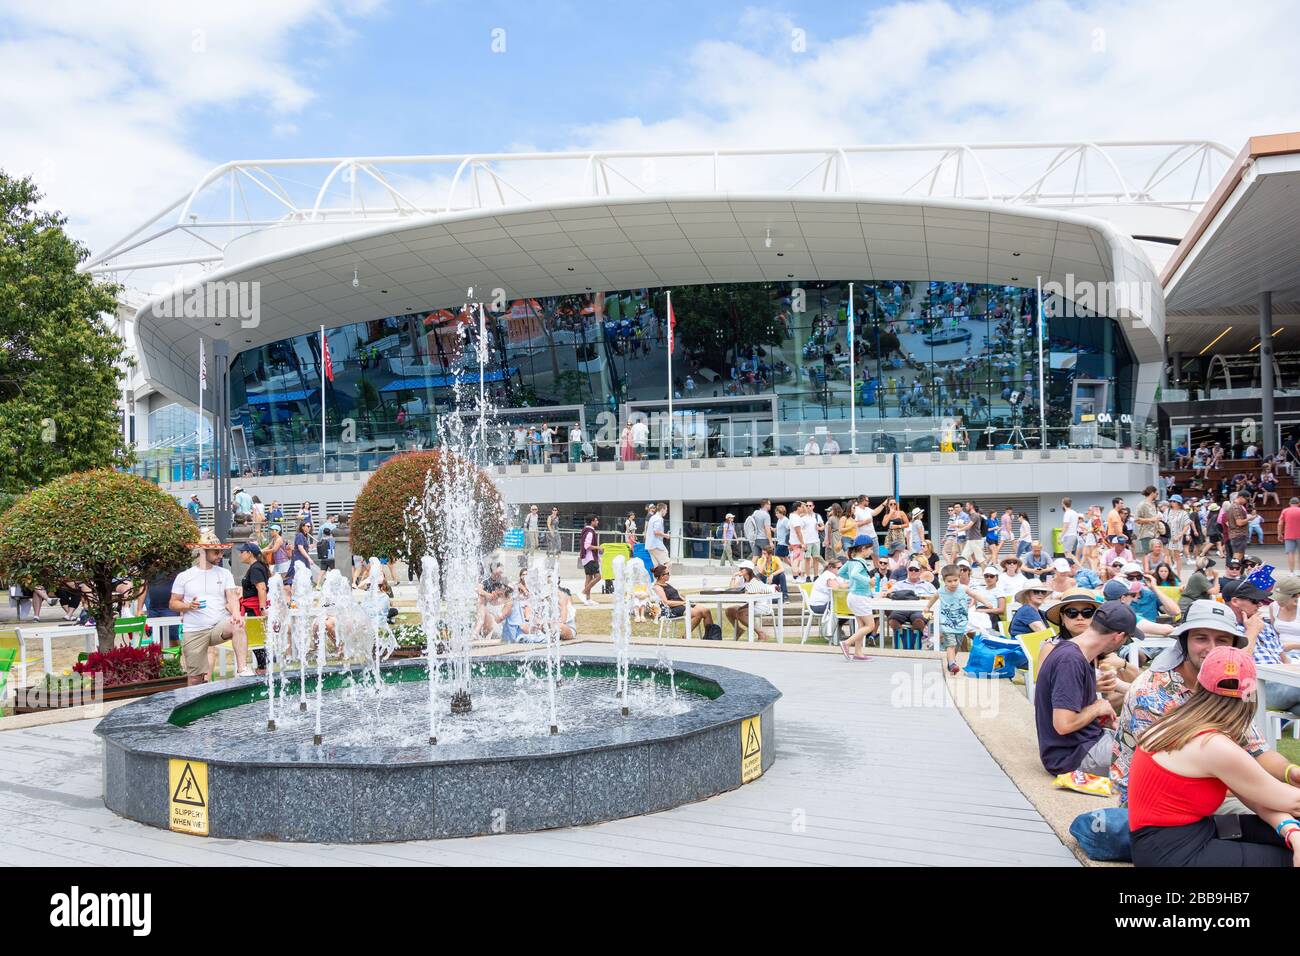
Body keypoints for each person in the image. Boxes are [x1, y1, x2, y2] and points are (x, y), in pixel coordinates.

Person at [1127, 646, 1300, 867]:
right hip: (1175, 854)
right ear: (1251, 694)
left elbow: (1255, 795)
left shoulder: (1181, 723)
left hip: (1171, 839)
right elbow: (1291, 800)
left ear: (1199, 685)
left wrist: (1291, 830)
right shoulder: (1214, 745)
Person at [1111, 599, 1293, 809]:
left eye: (1222, 640)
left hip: (1210, 789)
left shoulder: (1229, 684)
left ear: (1233, 646)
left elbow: (1256, 749)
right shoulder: (1151, 691)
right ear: (1184, 641)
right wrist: (1267, 790)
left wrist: (1290, 772)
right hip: (1156, 803)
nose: (1212, 649)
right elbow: (1168, 774)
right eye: (1201, 638)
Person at [1033, 600, 1138, 776]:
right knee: (1161, 761)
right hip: (1074, 756)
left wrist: (1105, 720)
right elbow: (1063, 725)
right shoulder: (1070, 660)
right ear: (1119, 636)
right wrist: (1097, 708)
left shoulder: (1076, 653)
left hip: (1086, 744)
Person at [170, 530, 252, 684]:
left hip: (218, 626)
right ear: (203, 551)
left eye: (221, 551)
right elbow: (173, 603)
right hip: (194, 630)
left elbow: (232, 596)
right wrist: (188, 606)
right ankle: (194, 705)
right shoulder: (184, 576)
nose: (220, 555)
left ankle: (242, 669)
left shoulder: (225, 573)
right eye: (216, 552)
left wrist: (236, 613)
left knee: (238, 625)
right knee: (195, 678)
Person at [836, 545, 877, 660]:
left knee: (862, 626)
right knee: (870, 625)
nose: (871, 551)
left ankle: (858, 652)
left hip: (853, 596)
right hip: (860, 597)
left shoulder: (851, 561)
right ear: (863, 549)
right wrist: (868, 581)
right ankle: (847, 643)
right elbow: (854, 574)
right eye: (870, 549)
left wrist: (853, 580)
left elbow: (841, 572)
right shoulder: (860, 562)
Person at [653, 565, 714, 637]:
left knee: (706, 611)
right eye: (668, 573)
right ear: (661, 576)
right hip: (672, 609)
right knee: (697, 613)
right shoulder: (657, 587)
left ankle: (710, 636)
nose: (669, 575)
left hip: (682, 604)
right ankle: (685, 636)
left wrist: (687, 600)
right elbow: (666, 602)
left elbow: (678, 596)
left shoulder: (667, 584)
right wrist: (683, 602)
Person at [724, 561, 776, 642]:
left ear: (748, 570)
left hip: (761, 605)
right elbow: (732, 589)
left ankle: (761, 633)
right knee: (729, 610)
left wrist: (742, 607)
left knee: (740, 613)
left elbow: (755, 599)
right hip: (750, 604)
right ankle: (738, 630)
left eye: (742, 569)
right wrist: (733, 576)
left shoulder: (755, 581)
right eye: (739, 568)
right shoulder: (742, 579)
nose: (739, 570)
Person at [237, 542, 270, 617]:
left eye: (242, 552)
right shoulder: (256, 566)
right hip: (252, 606)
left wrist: (262, 609)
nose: (240, 555)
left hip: (254, 609)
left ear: (250, 553)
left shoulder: (256, 568)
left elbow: (262, 588)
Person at [578, 515, 601, 606]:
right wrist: (598, 547)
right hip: (590, 558)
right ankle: (583, 593)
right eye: (596, 520)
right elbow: (587, 546)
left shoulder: (585, 530)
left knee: (589, 578)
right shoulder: (590, 532)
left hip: (585, 558)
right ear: (592, 521)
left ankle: (587, 600)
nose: (597, 522)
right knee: (598, 577)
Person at [646, 503, 670, 569]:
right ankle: (663, 577)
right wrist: (665, 535)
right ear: (662, 509)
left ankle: (657, 579)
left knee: (656, 566)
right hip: (656, 545)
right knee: (667, 563)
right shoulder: (659, 519)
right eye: (666, 510)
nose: (666, 512)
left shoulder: (652, 517)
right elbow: (656, 532)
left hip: (650, 545)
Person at [1280, 498, 1300, 574]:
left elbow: (1280, 524)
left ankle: (1291, 572)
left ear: (1289, 503)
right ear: (1298, 503)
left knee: (1290, 553)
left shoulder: (1285, 511)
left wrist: (1279, 534)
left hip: (1289, 535)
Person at [1060, 496, 1081, 562]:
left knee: (1067, 553)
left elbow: (1065, 526)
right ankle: (1077, 567)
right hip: (1073, 535)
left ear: (1063, 504)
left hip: (1069, 535)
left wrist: (1060, 537)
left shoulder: (1067, 513)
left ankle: (1077, 567)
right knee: (1069, 553)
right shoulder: (1074, 512)